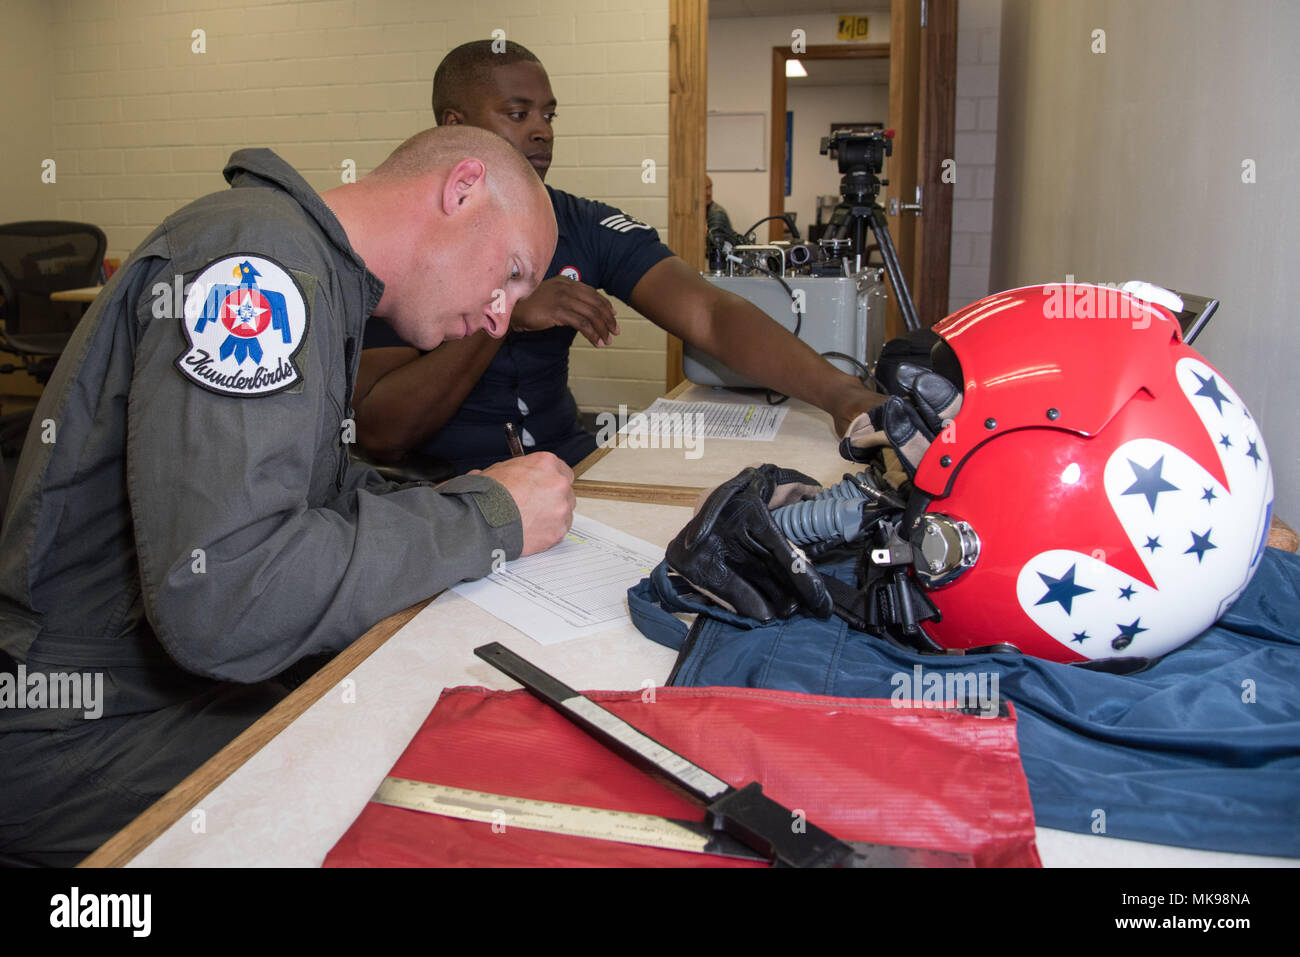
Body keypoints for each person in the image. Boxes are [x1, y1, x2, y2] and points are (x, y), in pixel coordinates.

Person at [0, 125, 573, 865]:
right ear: (461, 190)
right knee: (409, 812)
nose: (501, 315)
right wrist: (484, 520)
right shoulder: (259, 267)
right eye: (514, 272)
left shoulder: (315, 276)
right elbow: (227, 591)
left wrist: (469, 498)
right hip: (80, 725)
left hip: (146, 690)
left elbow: (313, 496)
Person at [354, 40, 887, 474]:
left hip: (563, 463)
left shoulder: (581, 223)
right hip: (442, 486)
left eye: (548, 113)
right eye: (518, 114)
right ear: (453, 125)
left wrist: (841, 394)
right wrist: (505, 319)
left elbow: (710, 314)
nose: (542, 129)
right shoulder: (402, 239)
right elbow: (384, 435)